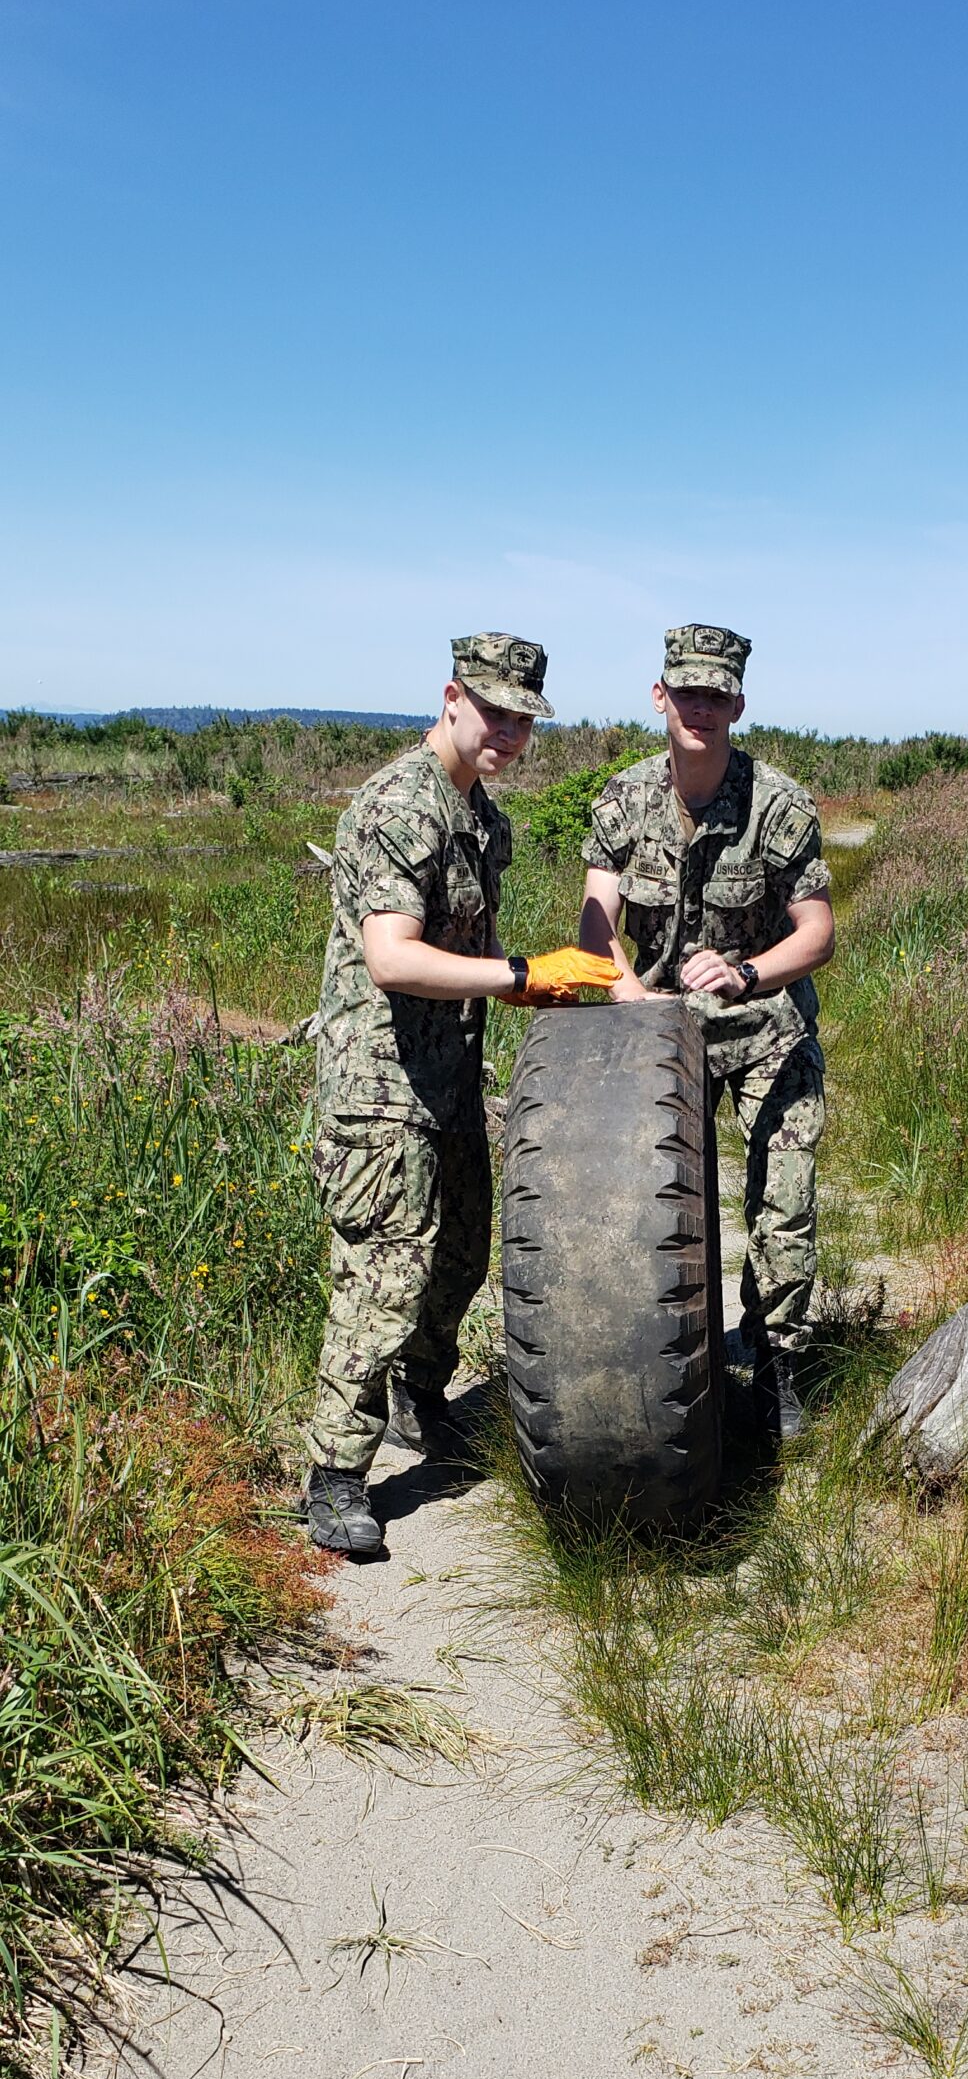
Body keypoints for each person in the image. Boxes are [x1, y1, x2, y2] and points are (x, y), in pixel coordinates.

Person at [305, 632, 615, 1553]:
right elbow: (392, 957)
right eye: (494, 712)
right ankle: (335, 1475)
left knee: (463, 1257)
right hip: (380, 1086)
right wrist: (519, 973)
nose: (510, 732)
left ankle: (420, 1398)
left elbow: (466, 949)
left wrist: (551, 981)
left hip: (449, 1077)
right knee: (383, 1280)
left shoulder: (480, 815)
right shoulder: (400, 808)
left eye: (524, 718)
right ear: (450, 697)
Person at [580, 623, 834, 1439]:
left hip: (765, 1027)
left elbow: (816, 932)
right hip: (655, 1031)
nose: (701, 708)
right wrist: (624, 990)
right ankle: (646, 1360)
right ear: (661, 696)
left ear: (739, 703)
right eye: (686, 691)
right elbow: (596, 923)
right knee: (637, 1204)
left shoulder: (780, 804)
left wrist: (749, 971)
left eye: (716, 695)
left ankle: (778, 1361)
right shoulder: (624, 798)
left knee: (782, 1203)